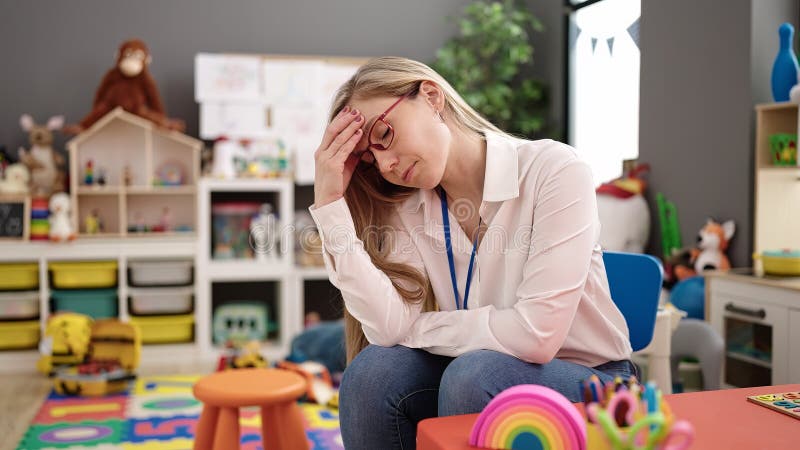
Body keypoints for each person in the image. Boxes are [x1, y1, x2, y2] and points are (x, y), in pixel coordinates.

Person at [308, 56, 637, 450]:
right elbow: (386, 329)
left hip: (592, 381)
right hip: (465, 373)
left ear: (431, 97)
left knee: (473, 375)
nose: (386, 163)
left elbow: (536, 336)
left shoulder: (554, 170)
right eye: (368, 159)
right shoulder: (406, 206)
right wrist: (329, 204)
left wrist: (421, 327)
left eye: (383, 135)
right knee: (371, 375)